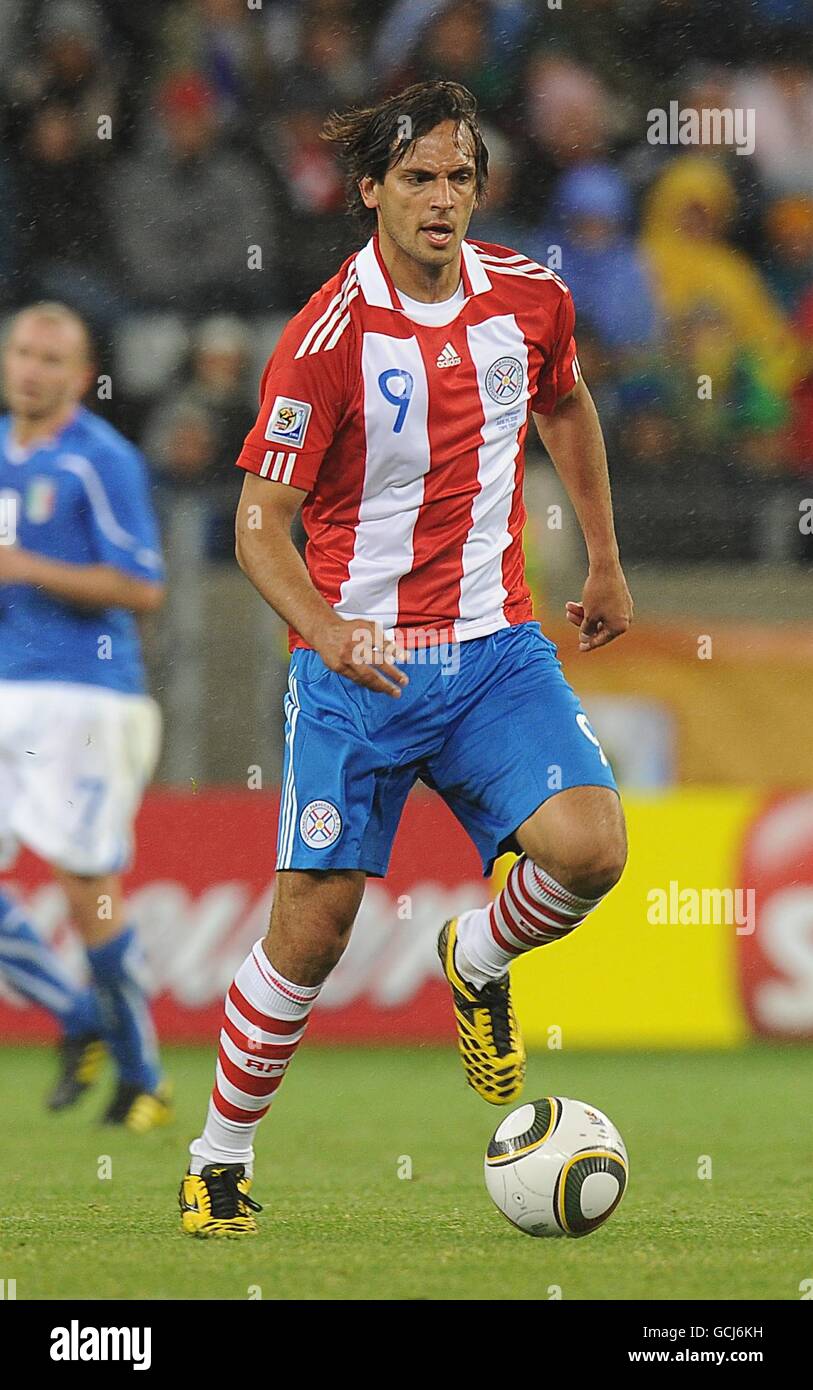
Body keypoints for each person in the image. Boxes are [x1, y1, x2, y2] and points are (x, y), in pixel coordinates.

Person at [178, 80, 632, 1237]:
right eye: (419, 177)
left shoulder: (529, 299)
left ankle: (474, 956)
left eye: (461, 177)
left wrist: (606, 563)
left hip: (493, 651)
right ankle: (217, 1157)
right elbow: (257, 523)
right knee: (313, 932)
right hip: (358, 672)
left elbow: (567, 408)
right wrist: (326, 629)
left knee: (591, 849)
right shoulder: (324, 342)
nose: (443, 199)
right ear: (370, 190)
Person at [0, 303, 171, 1131]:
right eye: (22, 352)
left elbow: (143, 586)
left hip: (85, 696)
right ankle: (77, 1016)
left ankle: (144, 1077)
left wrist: (26, 566)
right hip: (6, 688)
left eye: (50, 359)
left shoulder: (102, 461)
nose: (32, 369)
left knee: (84, 884)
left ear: (79, 373)